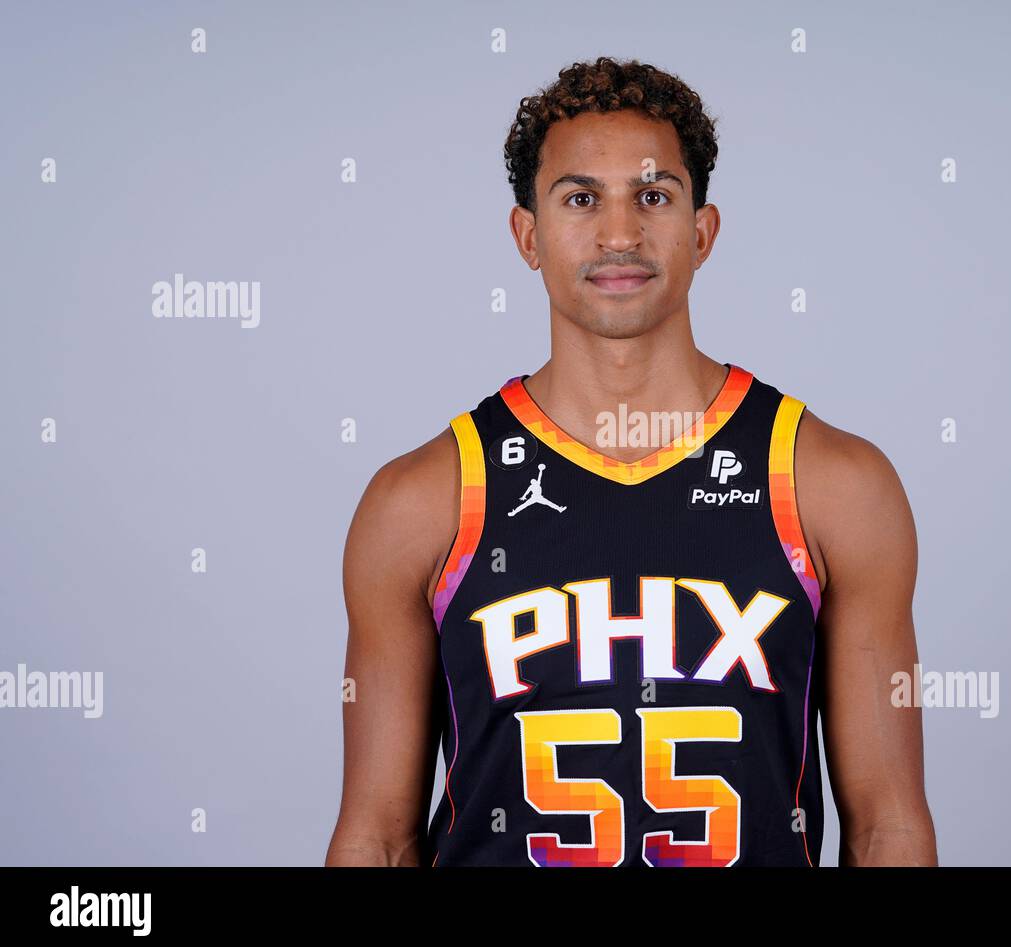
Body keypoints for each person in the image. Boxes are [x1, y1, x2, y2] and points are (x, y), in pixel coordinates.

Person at [326, 56, 936, 867]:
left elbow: (886, 826)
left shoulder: (830, 482)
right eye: (581, 199)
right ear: (527, 235)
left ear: (702, 230)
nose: (620, 234)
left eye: (654, 196)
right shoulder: (424, 500)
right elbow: (377, 836)